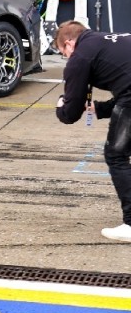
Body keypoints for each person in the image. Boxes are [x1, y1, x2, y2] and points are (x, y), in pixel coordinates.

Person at [55, 21, 131, 242]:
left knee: (116, 155)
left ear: (69, 44)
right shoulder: (110, 40)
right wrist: (99, 109)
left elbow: (70, 114)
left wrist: (61, 107)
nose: (67, 58)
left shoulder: (79, 58)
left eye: (63, 53)